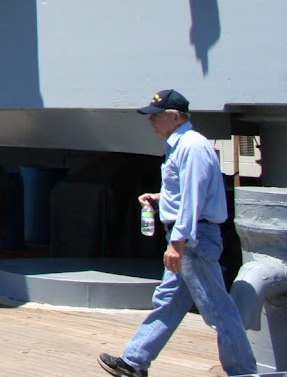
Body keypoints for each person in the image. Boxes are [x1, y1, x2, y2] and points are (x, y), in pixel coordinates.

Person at [98, 89, 258, 377]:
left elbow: (194, 199)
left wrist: (178, 242)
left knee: (218, 309)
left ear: (173, 117)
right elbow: (186, 191)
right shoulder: (182, 145)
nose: (151, 122)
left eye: (155, 116)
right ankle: (134, 361)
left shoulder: (192, 146)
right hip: (188, 238)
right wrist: (161, 198)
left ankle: (244, 372)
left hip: (193, 241)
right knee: (168, 302)